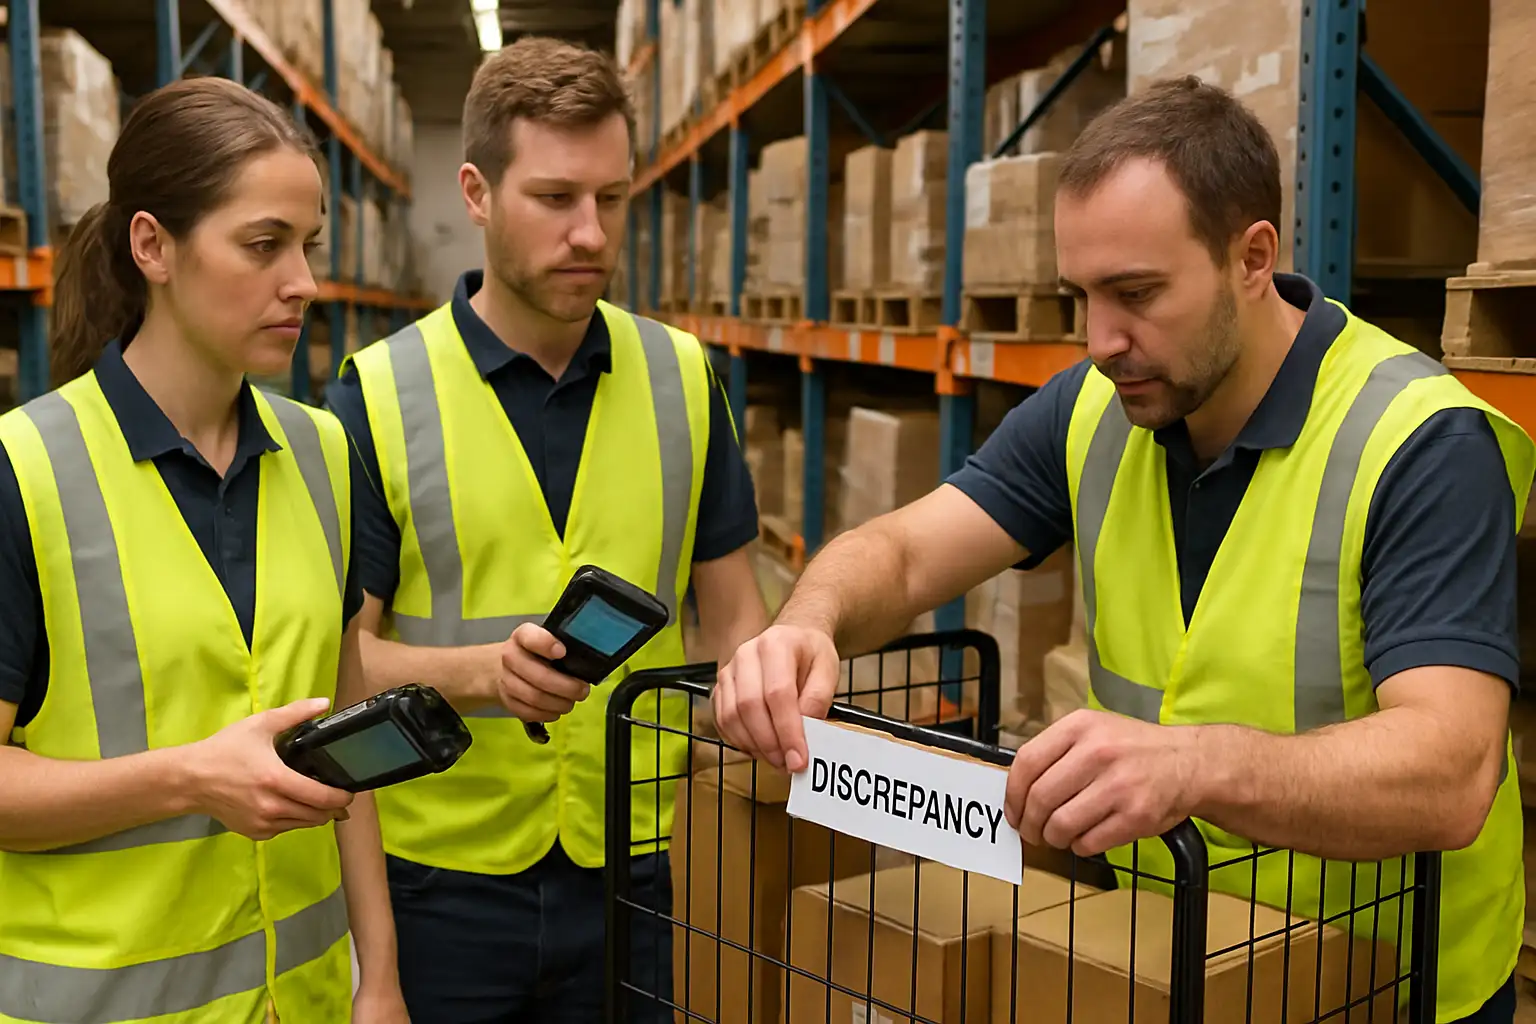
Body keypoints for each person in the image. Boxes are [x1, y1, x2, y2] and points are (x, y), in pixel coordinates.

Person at [711, 76, 1531, 1024]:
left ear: (1252, 257)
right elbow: (902, 553)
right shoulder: (1095, 407)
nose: (1101, 340)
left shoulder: (1418, 443)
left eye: (1137, 293)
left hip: (1387, 987)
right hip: (1163, 962)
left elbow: (1451, 770)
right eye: (1083, 296)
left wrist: (1194, 766)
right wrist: (808, 623)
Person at [323, 35, 770, 1022]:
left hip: (640, 865)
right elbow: (338, 661)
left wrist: (763, 703)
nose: (591, 232)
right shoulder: (379, 395)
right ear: (476, 193)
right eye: (556, 198)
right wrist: (484, 673)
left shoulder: (683, 378)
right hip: (441, 881)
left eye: (612, 198)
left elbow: (737, 614)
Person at [0, 78, 409, 1022]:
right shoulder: (25, 473)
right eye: (263, 245)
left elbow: (349, 733)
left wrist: (380, 979)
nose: (302, 282)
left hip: (306, 1003)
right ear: (153, 247)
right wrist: (188, 778)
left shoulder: (323, 454)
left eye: (307, 246)